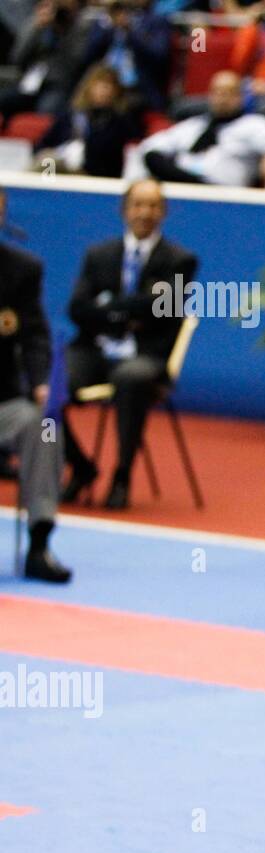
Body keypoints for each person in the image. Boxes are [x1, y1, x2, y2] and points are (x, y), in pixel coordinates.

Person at [62, 179, 199, 510]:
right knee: (48, 379)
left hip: (146, 356)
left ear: (163, 212)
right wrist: (128, 310)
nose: (145, 213)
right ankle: (81, 467)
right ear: (125, 210)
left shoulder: (180, 260)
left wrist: (108, 306)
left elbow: (159, 310)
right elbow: (77, 309)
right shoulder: (99, 255)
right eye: (138, 205)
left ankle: (122, 474)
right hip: (95, 350)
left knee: (130, 379)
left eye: (153, 206)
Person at [0, 188, 72, 583]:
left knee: (42, 427)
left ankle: (40, 543)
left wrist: (42, 383)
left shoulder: (21, 269)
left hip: (4, 403)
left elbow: (36, 337)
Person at [131, 71, 265, 187]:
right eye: (217, 93)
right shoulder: (195, 124)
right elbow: (150, 146)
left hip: (220, 193)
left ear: (240, 97)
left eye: (228, 93)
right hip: (181, 188)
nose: (221, 99)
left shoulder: (253, 125)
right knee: (151, 157)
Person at [34, 62, 141, 178]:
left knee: (50, 161)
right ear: (89, 87)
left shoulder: (120, 121)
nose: (103, 92)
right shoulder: (70, 115)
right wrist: (63, 151)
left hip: (93, 175)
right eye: (99, 86)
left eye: (108, 87)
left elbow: (111, 157)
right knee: (48, 160)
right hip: (59, 169)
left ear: (116, 91)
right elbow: (41, 146)